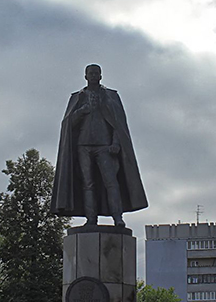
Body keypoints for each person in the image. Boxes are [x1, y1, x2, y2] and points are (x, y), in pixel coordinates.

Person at [52, 64, 147, 227]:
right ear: (85, 76)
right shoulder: (78, 97)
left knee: (111, 182)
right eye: (91, 73)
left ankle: (118, 217)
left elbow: (118, 123)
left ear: (101, 76)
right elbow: (68, 124)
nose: (94, 76)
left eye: (96, 73)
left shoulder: (111, 96)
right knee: (88, 184)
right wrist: (82, 111)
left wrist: (115, 142)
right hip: (83, 145)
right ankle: (91, 219)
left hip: (105, 145)